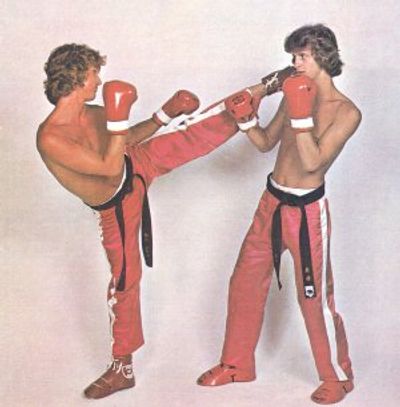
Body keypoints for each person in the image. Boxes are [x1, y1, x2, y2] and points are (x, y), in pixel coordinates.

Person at [37, 43, 291, 399]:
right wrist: (118, 117)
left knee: (194, 127)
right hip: (116, 206)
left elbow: (124, 142)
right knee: (125, 281)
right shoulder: (51, 137)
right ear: (78, 76)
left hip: (137, 164)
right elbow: (108, 168)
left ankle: (268, 86)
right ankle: (122, 369)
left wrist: (164, 115)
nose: (99, 81)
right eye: (95, 74)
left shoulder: (92, 111)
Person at [197, 24, 362, 405]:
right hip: (270, 203)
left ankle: (336, 378)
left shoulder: (347, 112)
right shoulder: (293, 93)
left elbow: (313, 162)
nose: (295, 64)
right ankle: (237, 364)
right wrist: (246, 121)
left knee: (313, 298)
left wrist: (302, 115)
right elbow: (266, 143)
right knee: (243, 282)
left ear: (323, 57)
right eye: (293, 57)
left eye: (302, 56)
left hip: (306, 213)